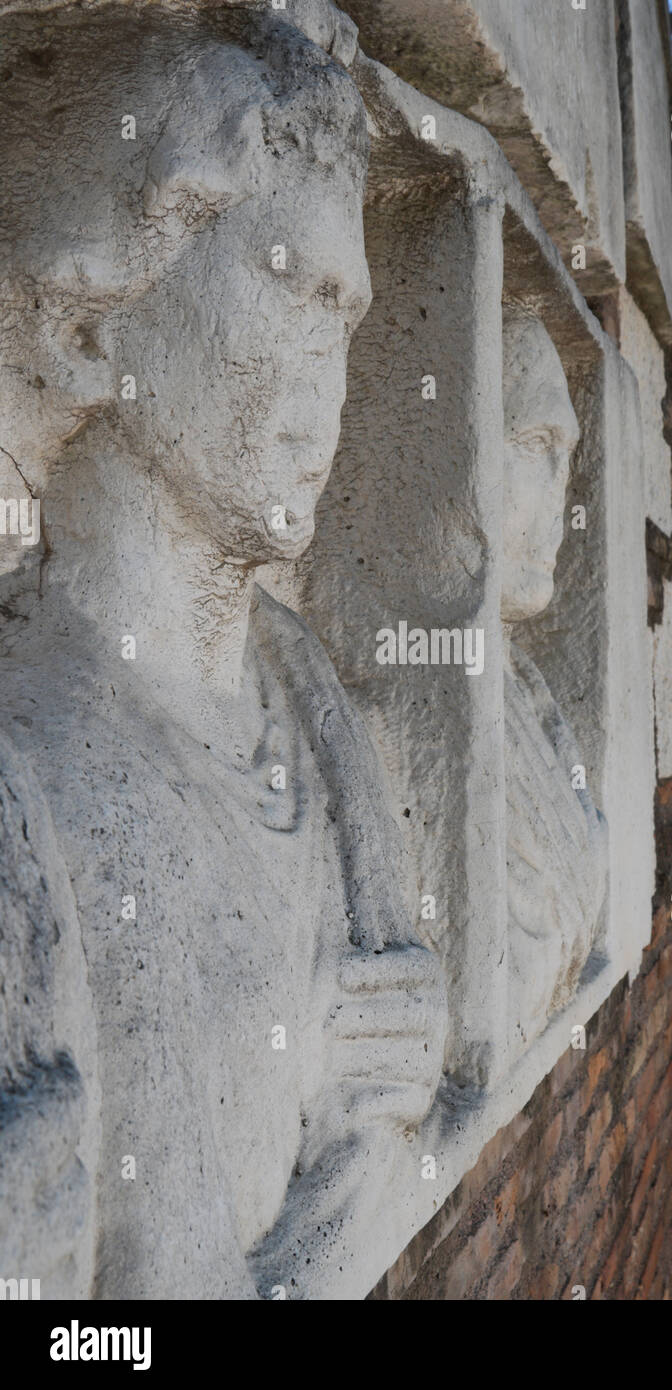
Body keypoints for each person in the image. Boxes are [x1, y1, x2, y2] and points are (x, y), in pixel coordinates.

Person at [0, 6, 445, 1298]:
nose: (333, 369)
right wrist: (317, 1083)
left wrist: (392, 1055)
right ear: (101, 307)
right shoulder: (43, 764)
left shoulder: (300, 688)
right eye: (287, 283)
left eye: (349, 316)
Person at [501, 307, 608, 1057]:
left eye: (565, 456)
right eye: (535, 444)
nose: (560, 505)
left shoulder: (529, 692)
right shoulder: (397, 701)